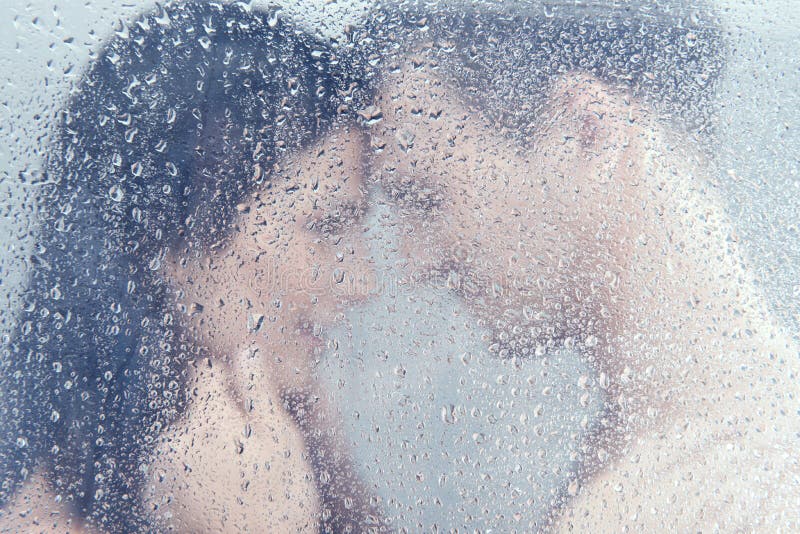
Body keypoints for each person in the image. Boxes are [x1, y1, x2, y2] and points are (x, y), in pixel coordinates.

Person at [359, 1, 800, 531]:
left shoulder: (756, 492)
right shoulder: (686, 454)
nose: (412, 265)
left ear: (584, 131)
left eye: (428, 199)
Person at [0, 2, 382, 532]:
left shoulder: (292, 432)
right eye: (326, 226)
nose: (365, 283)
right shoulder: (41, 520)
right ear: (174, 242)